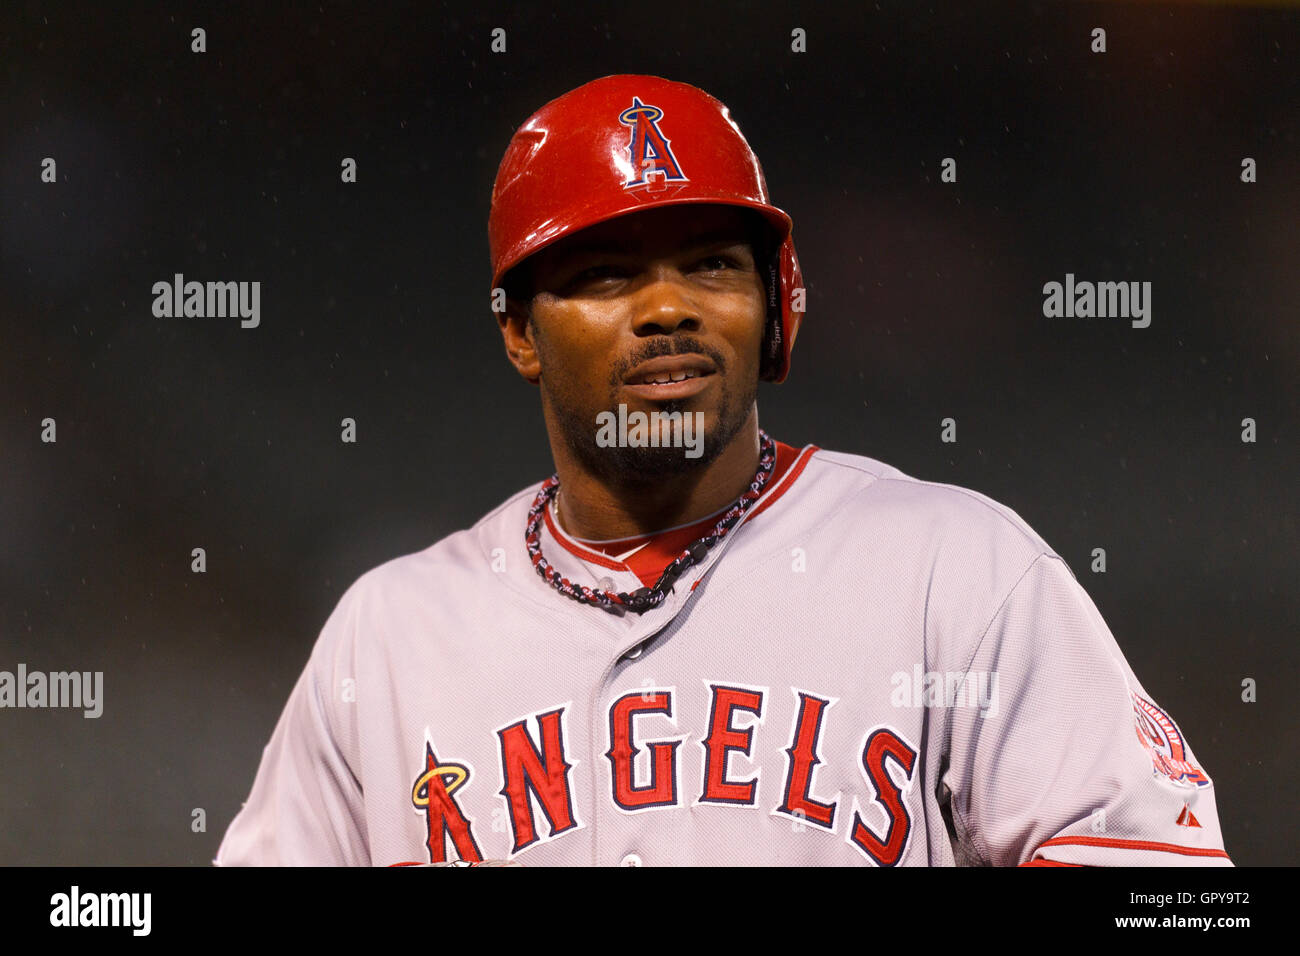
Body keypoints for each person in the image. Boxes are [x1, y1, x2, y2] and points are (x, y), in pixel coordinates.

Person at [215, 74, 1230, 867]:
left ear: (773, 305)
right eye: (606, 273)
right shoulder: (390, 635)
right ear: (521, 330)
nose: (668, 308)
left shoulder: (952, 568)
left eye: (710, 264)